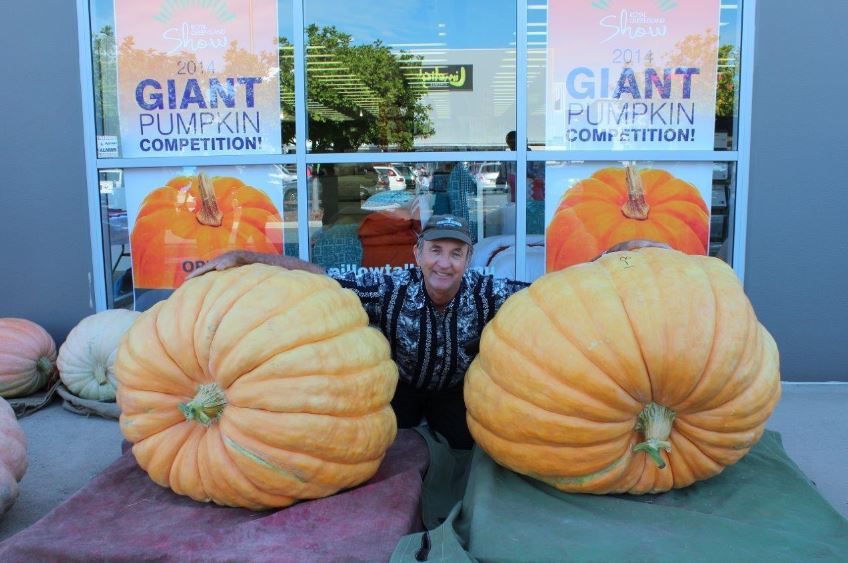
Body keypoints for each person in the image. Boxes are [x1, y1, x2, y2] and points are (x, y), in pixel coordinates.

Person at [188, 214, 668, 449]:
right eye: (436, 250)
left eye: (455, 253)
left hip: (457, 391)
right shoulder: (388, 286)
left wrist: (614, 255)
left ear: (468, 259)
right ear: (418, 253)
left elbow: (559, 294)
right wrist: (245, 257)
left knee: (468, 446)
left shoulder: (487, 291)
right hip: (399, 387)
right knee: (377, 447)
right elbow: (316, 275)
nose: (445, 262)